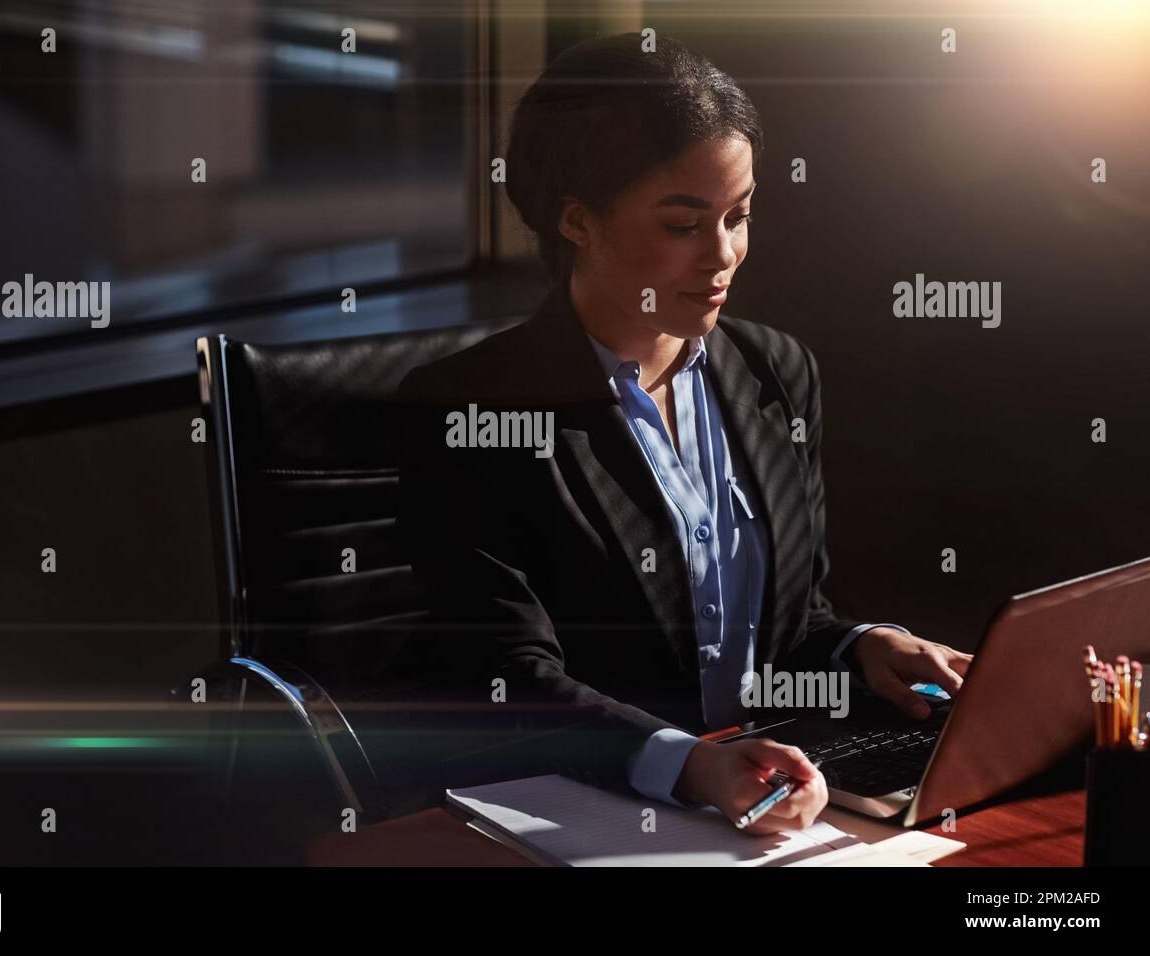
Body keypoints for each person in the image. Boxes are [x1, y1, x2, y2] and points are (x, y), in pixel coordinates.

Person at [396, 33, 971, 834]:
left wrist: (863, 649)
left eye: (739, 217)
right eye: (684, 224)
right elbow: (504, 680)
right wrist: (688, 765)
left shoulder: (776, 372)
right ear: (577, 220)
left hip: (770, 794)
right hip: (581, 812)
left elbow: (790, 622)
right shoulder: (469, 411)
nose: (724, 255)